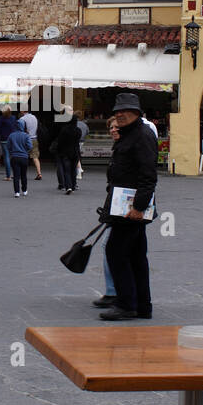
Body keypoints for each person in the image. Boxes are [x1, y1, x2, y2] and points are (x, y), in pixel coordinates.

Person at [98, 92, 157, 321]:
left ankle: (126, 304)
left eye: (125, 110)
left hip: (131, 208)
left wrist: (139, 207)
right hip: (122, 205)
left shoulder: (141, 135)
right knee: (136, 256)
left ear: (136, 113)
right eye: (117, 111)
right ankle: (142, 306)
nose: (119, 114)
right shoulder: (129, 134)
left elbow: (148, 174)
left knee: (116, 251)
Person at [93, 116, 121, 309]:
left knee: (110, 246)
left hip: (125, 208)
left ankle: (115, 292)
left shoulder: (128, 148)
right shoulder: (119, 149)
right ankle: (115, 291)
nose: (112, 130)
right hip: (117, 205)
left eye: (116, 127)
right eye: (110, 127)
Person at [52, 113, 82, 193]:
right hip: (75, 152)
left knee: (67, 170)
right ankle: (73, 185)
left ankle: (68, 187)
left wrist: (59, 151)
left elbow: (61, 142)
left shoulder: (64, 130)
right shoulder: (78, 131)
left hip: (66, 153)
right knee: (73, 169)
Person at [5, 124, 33, 196]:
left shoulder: (11, 135)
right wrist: (25, 151)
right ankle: (24, 190)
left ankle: (17, 192)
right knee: (24, 174)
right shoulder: (26, 135)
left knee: (16, 175)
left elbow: (8, 146)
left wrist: (12, 151)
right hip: (24, 157)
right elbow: (30, 146)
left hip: (14, 157)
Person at [0, 106, 20, 180]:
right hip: (12, 138)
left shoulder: (1, 118)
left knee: (6, 156)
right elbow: (15, 127)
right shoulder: (13, 118)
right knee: (14, 156)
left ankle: (8, 176)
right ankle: (16, 174)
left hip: (4, 138)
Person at [19, 106, 42, 180]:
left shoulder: (22, 119)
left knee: (22, 156)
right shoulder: (34, 117)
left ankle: (20, 173)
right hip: (34, 138)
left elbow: (20, 130)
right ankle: (39, 173)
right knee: (35, 157)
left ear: (22, 111)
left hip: (25, 139)